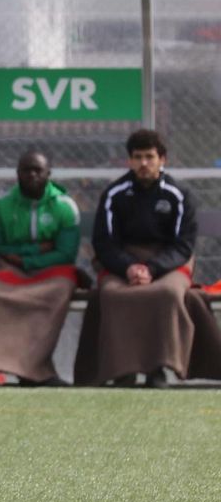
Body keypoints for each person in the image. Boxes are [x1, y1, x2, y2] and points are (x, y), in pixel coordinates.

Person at [74, 129, 221, 386]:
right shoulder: (114, 194)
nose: (144, 163)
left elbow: (183, 245)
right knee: (113, 294)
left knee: (167, 294)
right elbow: (104, 242)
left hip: (169, 262)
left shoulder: (178, 195)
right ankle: (122, 370)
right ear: (129, 160)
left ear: (162, 159)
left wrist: (152, 268)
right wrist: (128, 266)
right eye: (138, 157)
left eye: (150, 157)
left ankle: (159, 369)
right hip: (121, 263)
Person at [0, 149, 82, 384]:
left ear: (49, 173)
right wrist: (39, 249)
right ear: (17, 173)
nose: (32, 175)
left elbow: (66, 254)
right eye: (26, 170)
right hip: (8, 266)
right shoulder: (0, 206)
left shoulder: (65, 206)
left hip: (51, 269)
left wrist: (27, 259)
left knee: (59, 289)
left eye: (38, 170)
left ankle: (39, 368)